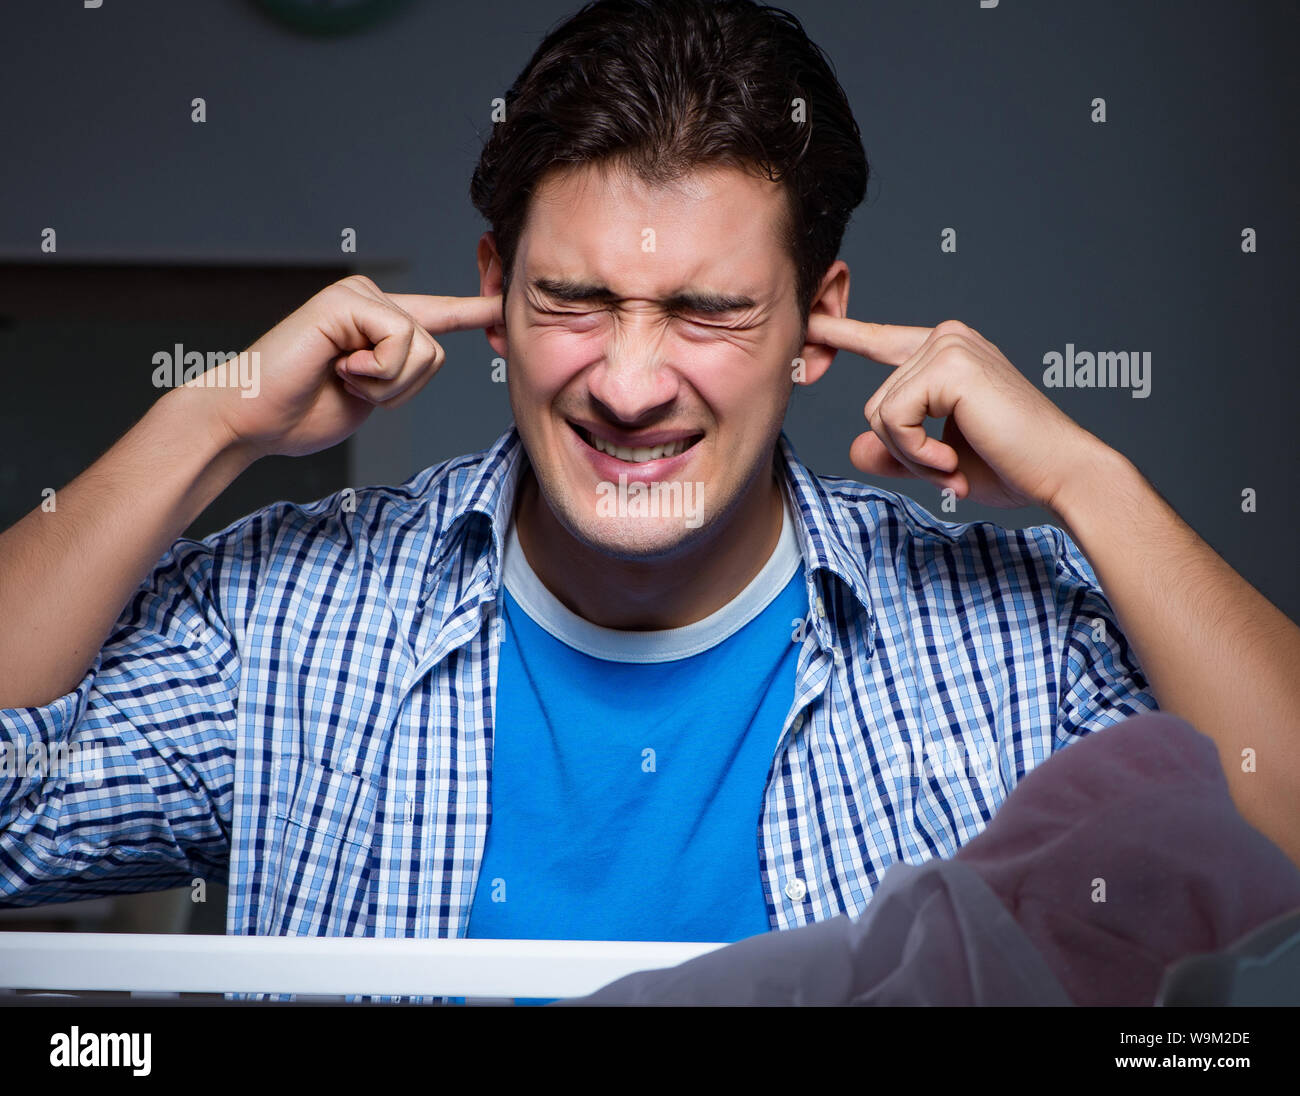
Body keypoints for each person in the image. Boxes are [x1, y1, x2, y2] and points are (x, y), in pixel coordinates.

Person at [2, 0, 1297, 1002]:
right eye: (573, 301)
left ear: (816, 323)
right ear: (495, 293)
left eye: (708, 311)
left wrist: (1093, 482)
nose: (629, 384)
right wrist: (205, 418)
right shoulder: (290, 618)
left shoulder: (1007, 641)